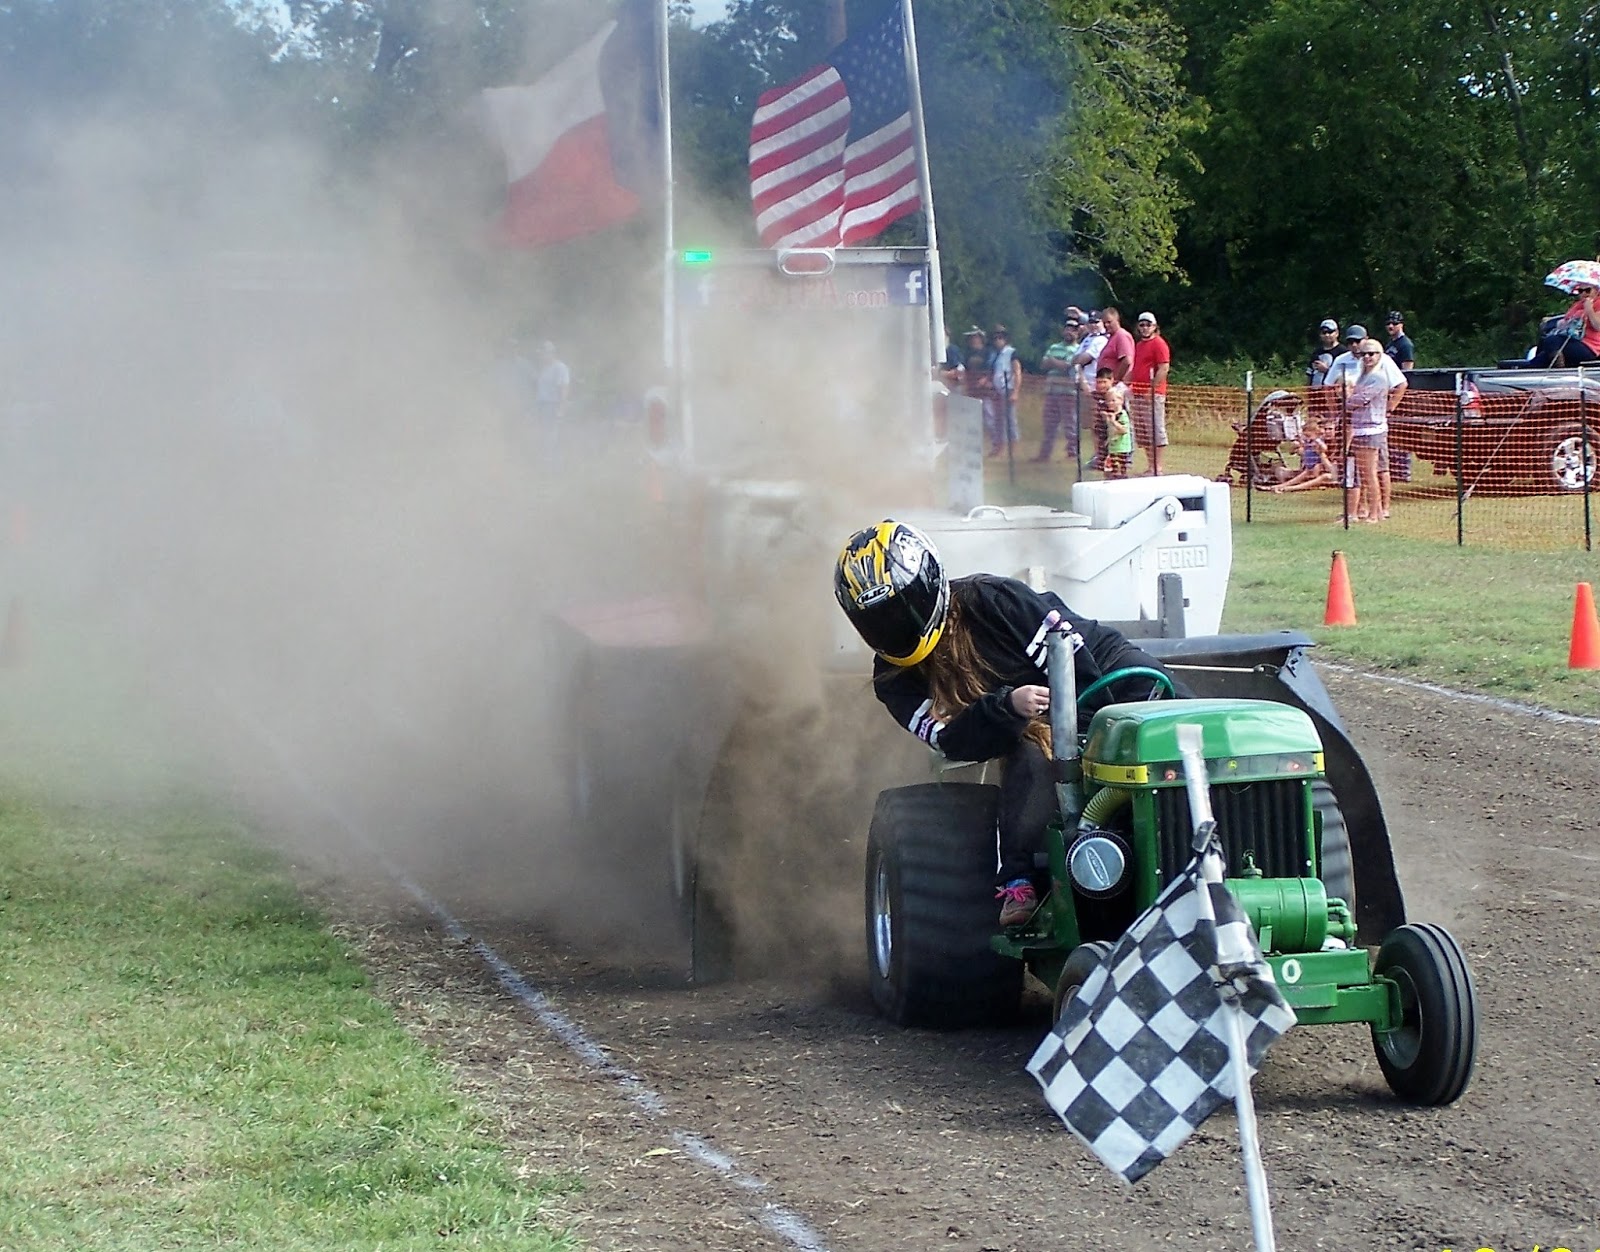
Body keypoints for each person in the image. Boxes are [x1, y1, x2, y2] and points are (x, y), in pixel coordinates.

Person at [832, 520, 1180, 927]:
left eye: (903, 610)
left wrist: (1092, 728)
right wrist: (1006, 708)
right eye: (881, 620)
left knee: (1175, 726)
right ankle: (1023, 881)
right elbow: (956, 742)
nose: (897, 628)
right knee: (1031, 758)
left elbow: (1075, 660)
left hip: (1100, 672)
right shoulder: (893, 681)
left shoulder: (995, 600)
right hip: (1018, 722)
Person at [1323, 324, 1406, 518]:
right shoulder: (1354, 367)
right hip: (1356, 426)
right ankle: (1361, 511)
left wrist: (1389, 407)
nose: (1364, 354)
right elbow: (1332, 387)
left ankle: (1379, 511)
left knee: (1376, 471)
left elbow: (1400, 385)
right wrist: (1338, 411)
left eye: (1359, 342)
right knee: (1357, 471)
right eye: (1351, 342)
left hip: (1373, 429)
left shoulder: (1380, 370)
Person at [1032, 315, 1081, 463]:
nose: (1069, 332)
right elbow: (1043, 364)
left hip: (1068, 392)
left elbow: (1067, 367)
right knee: (1049, 423)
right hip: (1051, 390)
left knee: (1070, 423)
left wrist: (1053, 361)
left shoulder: (1078, 349)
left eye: (1073, 330)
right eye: (1067, 328)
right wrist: (1057, 363)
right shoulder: (1054, 347)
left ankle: (1072, 453)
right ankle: (1044, 454)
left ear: (1078, 333)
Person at [1129, 311, 1171, 475]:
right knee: (1143, 432)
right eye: (1142, 325)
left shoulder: (1159, 344)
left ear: (1155, 327)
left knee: (1155, 429)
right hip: (1137, 392)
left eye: (1148, 324)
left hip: (1153, 394)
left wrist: (1151, 389)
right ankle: (1150, 465)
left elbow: (1164, 368)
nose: (1145, 328)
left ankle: (1157, 467)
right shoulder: (1138, 345)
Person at [1530, 284, 1600, 367]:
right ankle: (1530, 368)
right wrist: (1561, 323)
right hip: (1571, 340)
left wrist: (1589, 310)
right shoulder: (1577, 305)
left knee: (1551, 341)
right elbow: (1565, 321)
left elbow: (1597, 326)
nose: (1584, 294)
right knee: (1544, 344)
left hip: (1589, 346)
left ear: (1596, 290)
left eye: (1587, 290)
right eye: (1580, 291)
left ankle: (1557, 364)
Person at [1383, 311, 1415, 482]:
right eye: (1388, 323)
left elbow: (1407, 371)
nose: (1390, 326)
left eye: (1394, 323)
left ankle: (1403, 471)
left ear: (1401, 325)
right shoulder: (1391, 343)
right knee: (1391, 432)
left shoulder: (1405, 344)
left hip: (1399, 394)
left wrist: (1397, 393)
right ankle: (1394, 469)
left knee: (1401, 432)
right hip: (1388, 391)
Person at [1267, 415, 1336, 493]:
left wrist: (1321, 454)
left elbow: (1332, 469)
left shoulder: (1330, 444)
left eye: (1330, 429)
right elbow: (1295, 451)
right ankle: (1281, 486)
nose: (1327, 431)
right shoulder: (1319, 441)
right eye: (1325, 429)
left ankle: (1288, 488)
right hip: (1314, 468)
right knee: (1307, 471)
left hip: (1329, 473)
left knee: (1318, 473)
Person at [989, 325, 1022, 459]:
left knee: (1010, 420)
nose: (997, 340)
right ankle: (999, 447)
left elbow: (1017, 372)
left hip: (1008, 390)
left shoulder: (1011, 353)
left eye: (1000, 337)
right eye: (995, 338)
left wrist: (1016, 392)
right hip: (998, 392)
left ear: (1005, 339)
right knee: (999, 421)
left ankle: (1013, 448)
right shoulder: (995, 355)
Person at [1096, 371, 1133, 479]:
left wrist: (1112, 421)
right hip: (1113, 448)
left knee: (1119, 471)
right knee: (1109, 471)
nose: (1111, 403)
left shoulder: (1122, 415)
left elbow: (1123, 430)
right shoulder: (1112, 414)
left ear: (1120, 400)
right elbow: (1112, 431)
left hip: (1121, 449)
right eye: (1109, 401)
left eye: (1113, 400)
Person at [1306, 318, 1341, 386]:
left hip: (1333, 393)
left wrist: (1327, 370)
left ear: (1337, 333)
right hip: (1316, 393)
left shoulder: (1343, 352)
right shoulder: (1316, 352)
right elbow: (1309, 374)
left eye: (1330, 332)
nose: (1327, 335)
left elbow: (1346, 376)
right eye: (1324, 332)